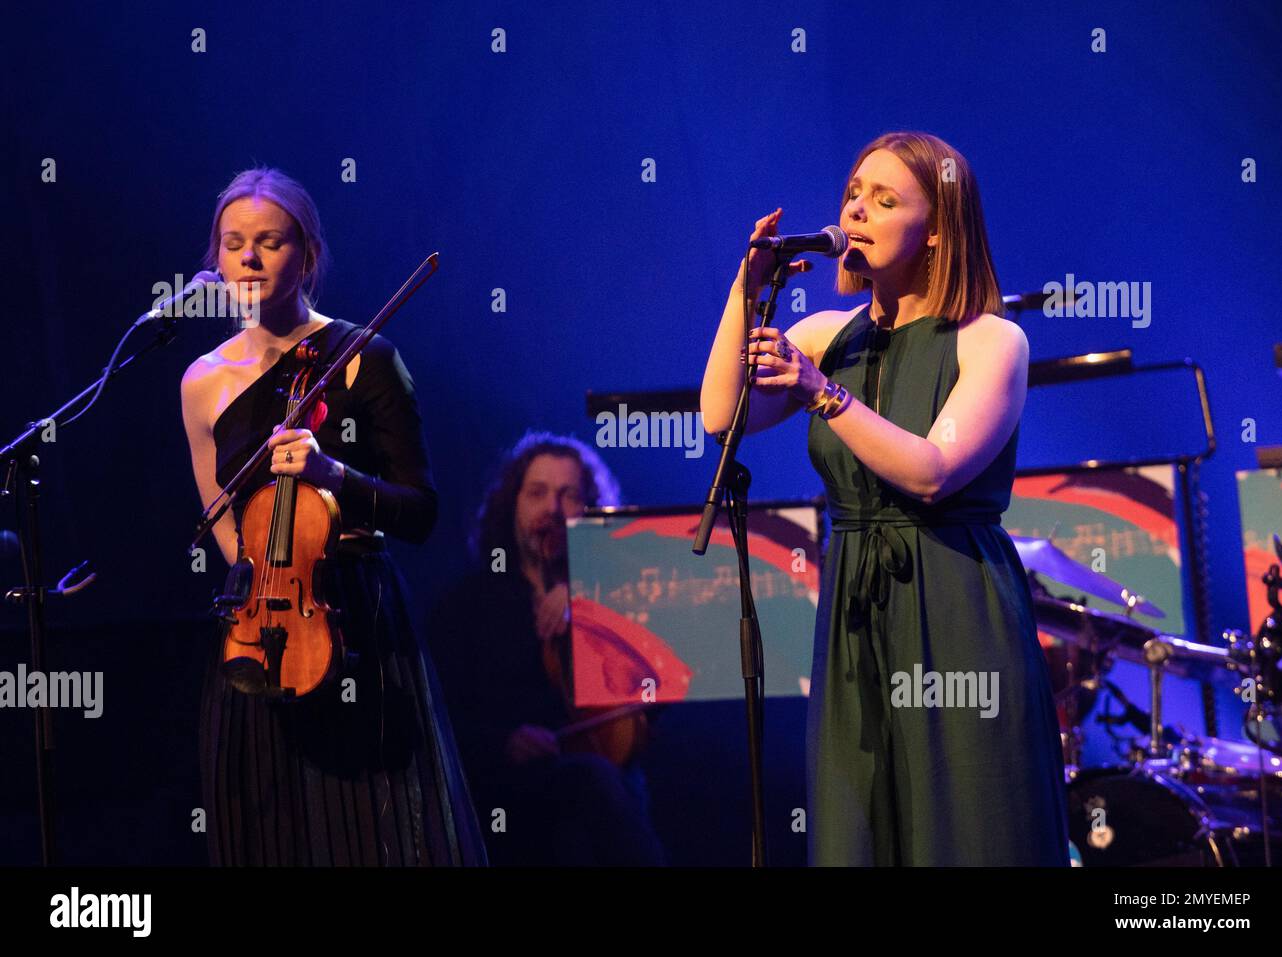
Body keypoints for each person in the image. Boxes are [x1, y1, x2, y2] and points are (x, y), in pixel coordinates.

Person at [700, 131, 1068, 866]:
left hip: (955, 601)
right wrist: (744, 289)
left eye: (885, 198)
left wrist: (821, 392)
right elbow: (719, 416)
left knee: (967, 820)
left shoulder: (992, 340)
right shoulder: (826, 333)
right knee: (862, 818)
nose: (857, 210)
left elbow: (933, 469)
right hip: (855, 605)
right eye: (853, 194)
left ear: (936, 227)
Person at [179, 167, 485, 865]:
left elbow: (421, 510)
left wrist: (333, 476)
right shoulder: (201, 382)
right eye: (232, 244)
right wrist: (264, 593)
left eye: (269, 242)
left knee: (367, 838)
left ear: (307, 255)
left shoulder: (366, 358)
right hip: (256, 629)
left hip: (354, 615)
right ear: (215, 257)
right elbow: (228, 532)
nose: (248, 259)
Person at [430, 432, 667, 865]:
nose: (552, 510)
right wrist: (504, 741)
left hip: (601, 785)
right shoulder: (467, 603)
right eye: (536, 493)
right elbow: (439, 718)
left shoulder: (613, 598)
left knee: (602, 779)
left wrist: (592, 603)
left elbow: (657, 695)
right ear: (512, 504)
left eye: (569, 495)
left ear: (589, 508)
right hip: (507, 788)